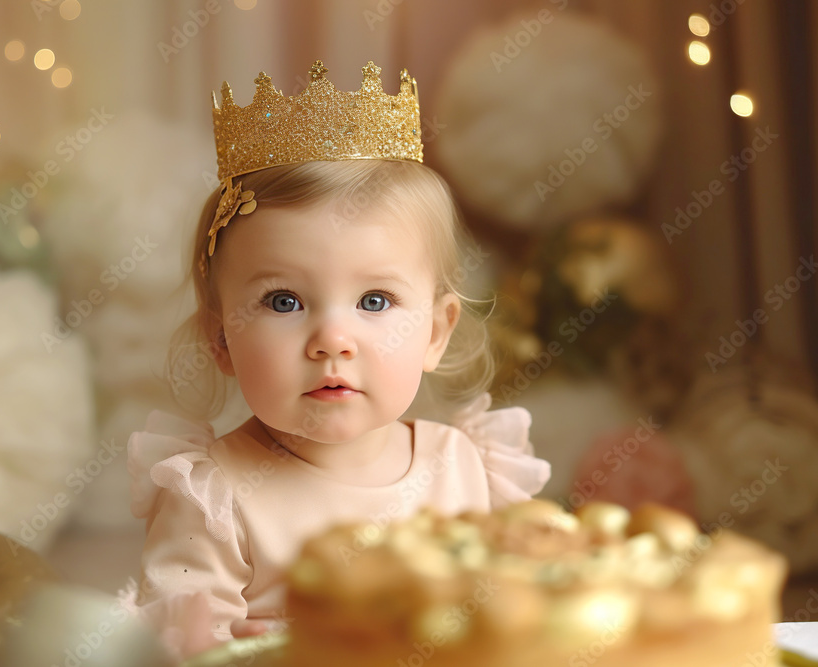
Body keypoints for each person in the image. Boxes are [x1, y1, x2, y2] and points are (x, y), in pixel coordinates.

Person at [123, 60, 551, 658]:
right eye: (284, 300)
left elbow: (524, 616)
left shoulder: (468, 468)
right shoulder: (215, 497)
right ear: (221, 339)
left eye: (374, 300)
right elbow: (175, 646)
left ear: (434, 332)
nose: (332, 340)